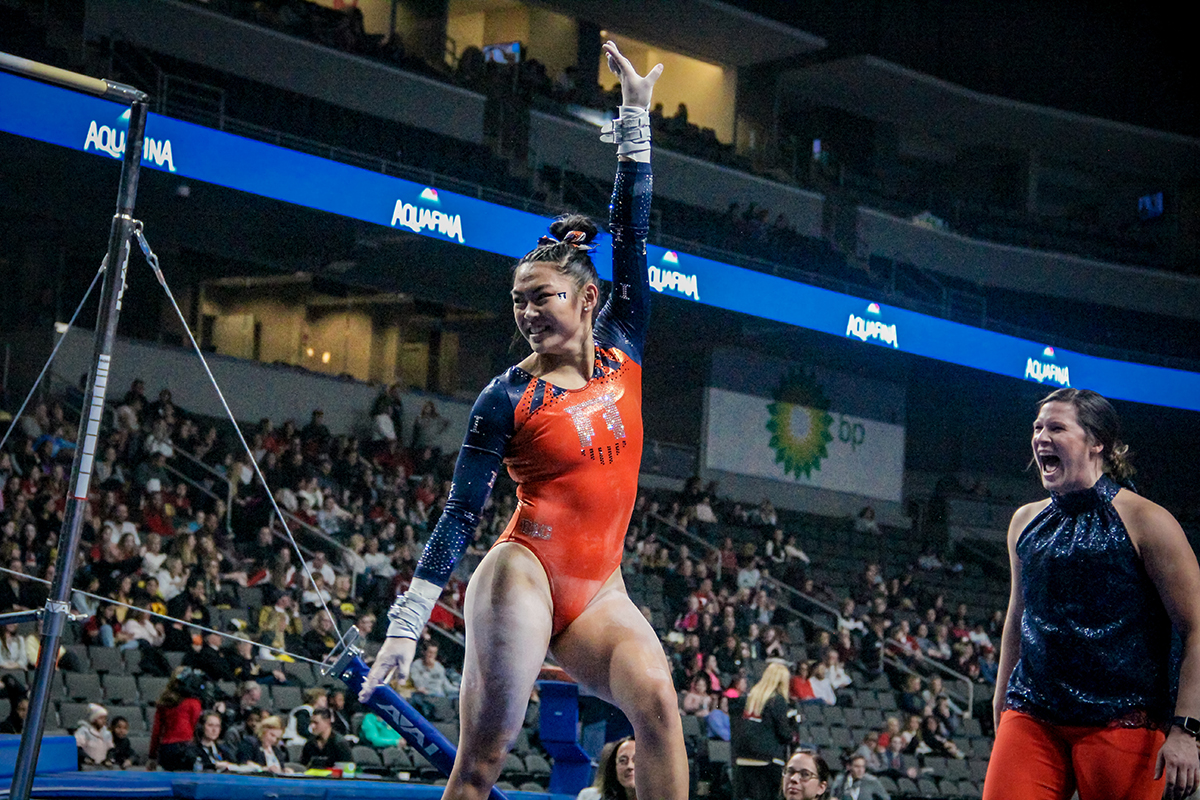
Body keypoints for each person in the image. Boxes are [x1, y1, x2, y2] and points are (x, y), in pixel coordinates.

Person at [359, 42, 684, 800]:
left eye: (543, 297)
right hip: (523, 575)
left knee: (660, 707)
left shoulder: (626, 344)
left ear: (588, 299)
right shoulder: (506, 397)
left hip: (599, 588)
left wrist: (635, 125)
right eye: (518, 301)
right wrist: (407, 623)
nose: (528, 312)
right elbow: (459, 513)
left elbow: (632, 236)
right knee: (482, 763)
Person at [985, 388, 1200, 800]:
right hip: (1032, 713)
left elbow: (1196, 629)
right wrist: (1001, 700)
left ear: (1096, 442)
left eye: (1056, 428)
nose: (1041, 437)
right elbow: (1017, 618)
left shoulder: (1148, 521)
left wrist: (1186, 729)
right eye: (1037, 427)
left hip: (1123, 719)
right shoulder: (1025, 521)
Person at [730, 661, 794, 800]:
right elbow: (784, 733)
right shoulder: (776, 700)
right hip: (767, 759)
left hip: (743, 758)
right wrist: (792, 733)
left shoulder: (749, 699)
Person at [148, 672, 203, 771]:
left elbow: (156, 732)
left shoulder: (164, 703)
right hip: (186, 747)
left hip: (166, 748)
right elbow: (196, 726)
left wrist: (152, 756)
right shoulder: (194, 703)